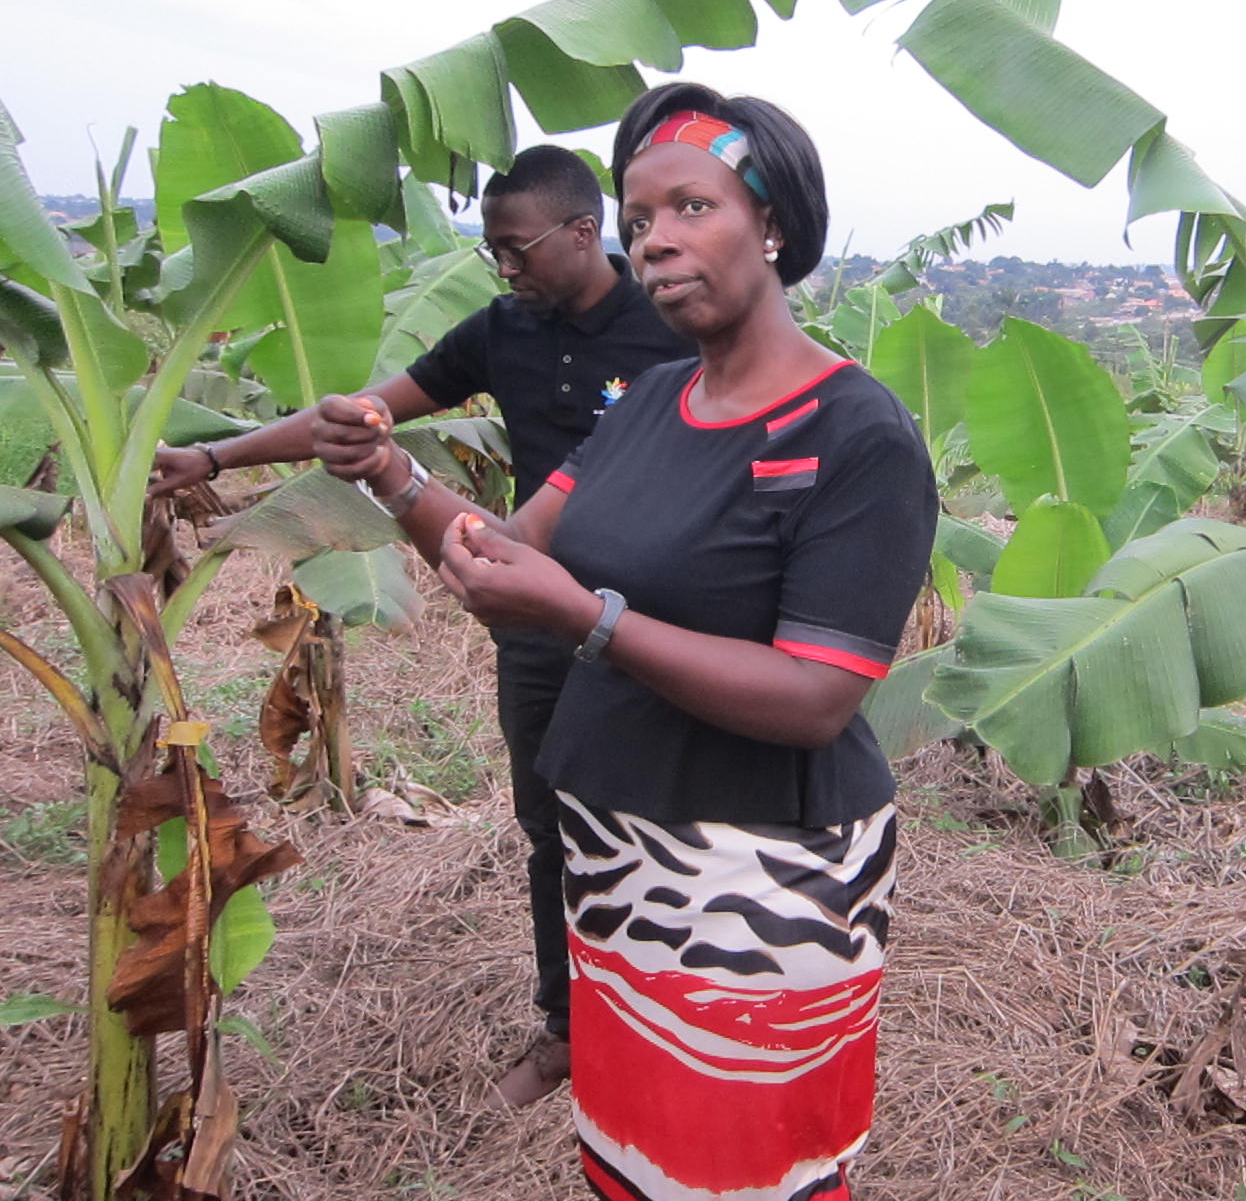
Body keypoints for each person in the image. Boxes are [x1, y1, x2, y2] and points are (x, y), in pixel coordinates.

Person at [309, 83, 937, 1201]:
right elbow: (501, 553)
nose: (655, 243)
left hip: (762, 877)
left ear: (775, 225)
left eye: (692, 207)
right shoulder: (648, 403)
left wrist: (586, 619)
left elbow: (814, 697)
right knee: (635, 1157)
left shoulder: (855, 431)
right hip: (617, 858)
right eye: (642, 220)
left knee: (746, 1167)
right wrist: (392, 474)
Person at [149, 145, 694, 1106]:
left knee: (661, 823)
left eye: (517, 248)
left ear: (581, 231)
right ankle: (568, 1028)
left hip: (657, 618)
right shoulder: (502, 330)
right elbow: (365, 417)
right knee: (548, 826)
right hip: (532, 614)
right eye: (491, 252)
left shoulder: (672, 329)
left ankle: (674, 1018)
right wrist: (215, 454)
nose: (505, 268)